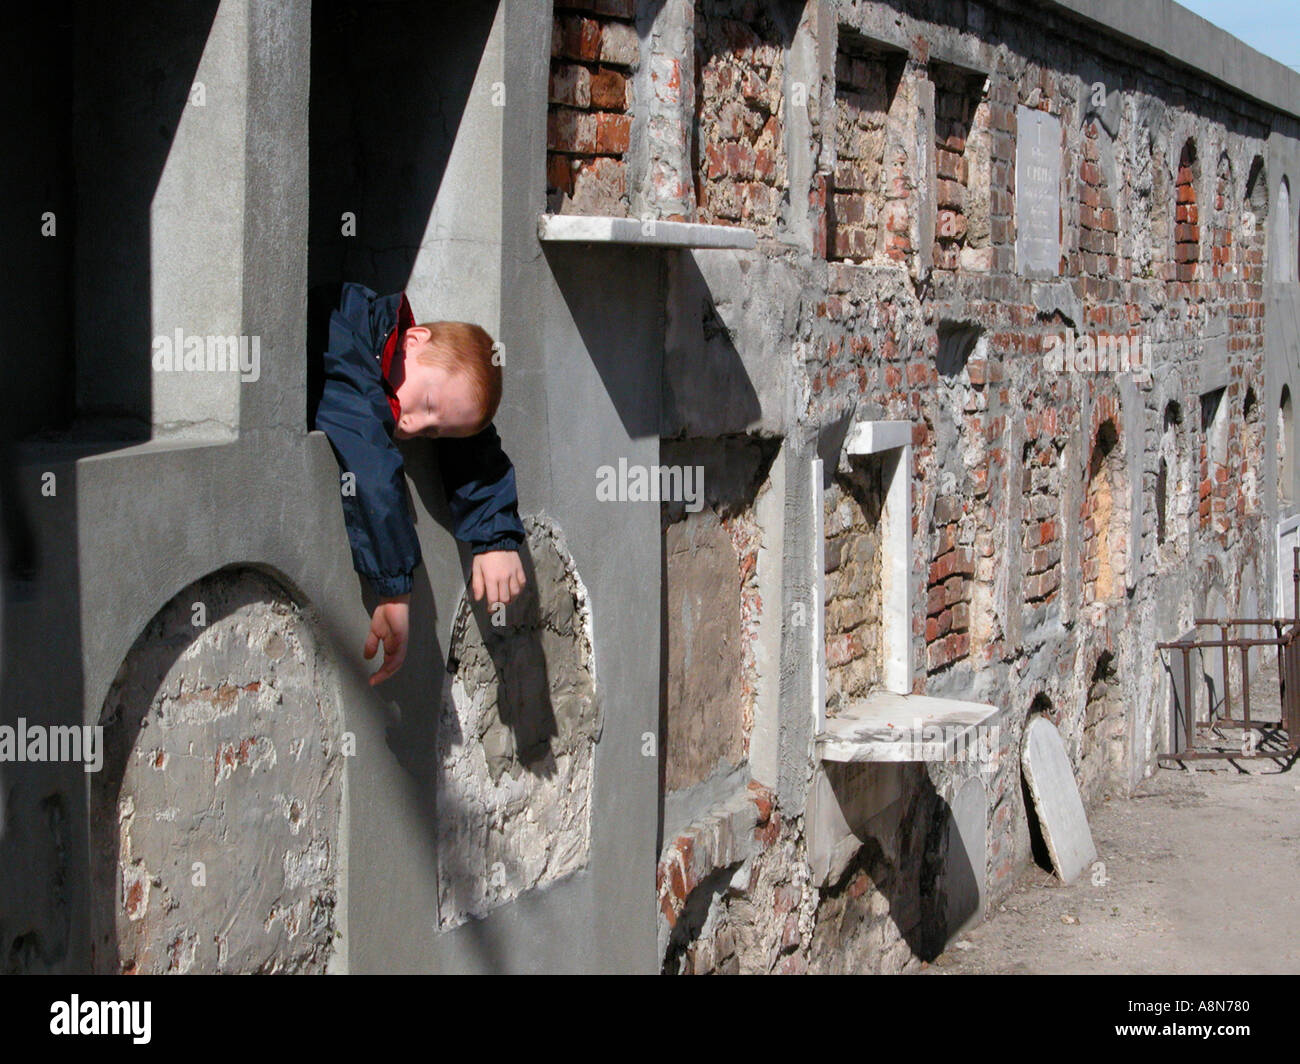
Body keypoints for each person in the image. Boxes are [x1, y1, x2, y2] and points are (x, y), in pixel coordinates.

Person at [313, 282, 526, 685]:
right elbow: (371, 465)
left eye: (431, 433)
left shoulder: (404, 368)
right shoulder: (355, 348)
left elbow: (468, 440)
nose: (413, 425)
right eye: (427, 406)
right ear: (414, 339)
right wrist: (395, 590)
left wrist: (495, 538)